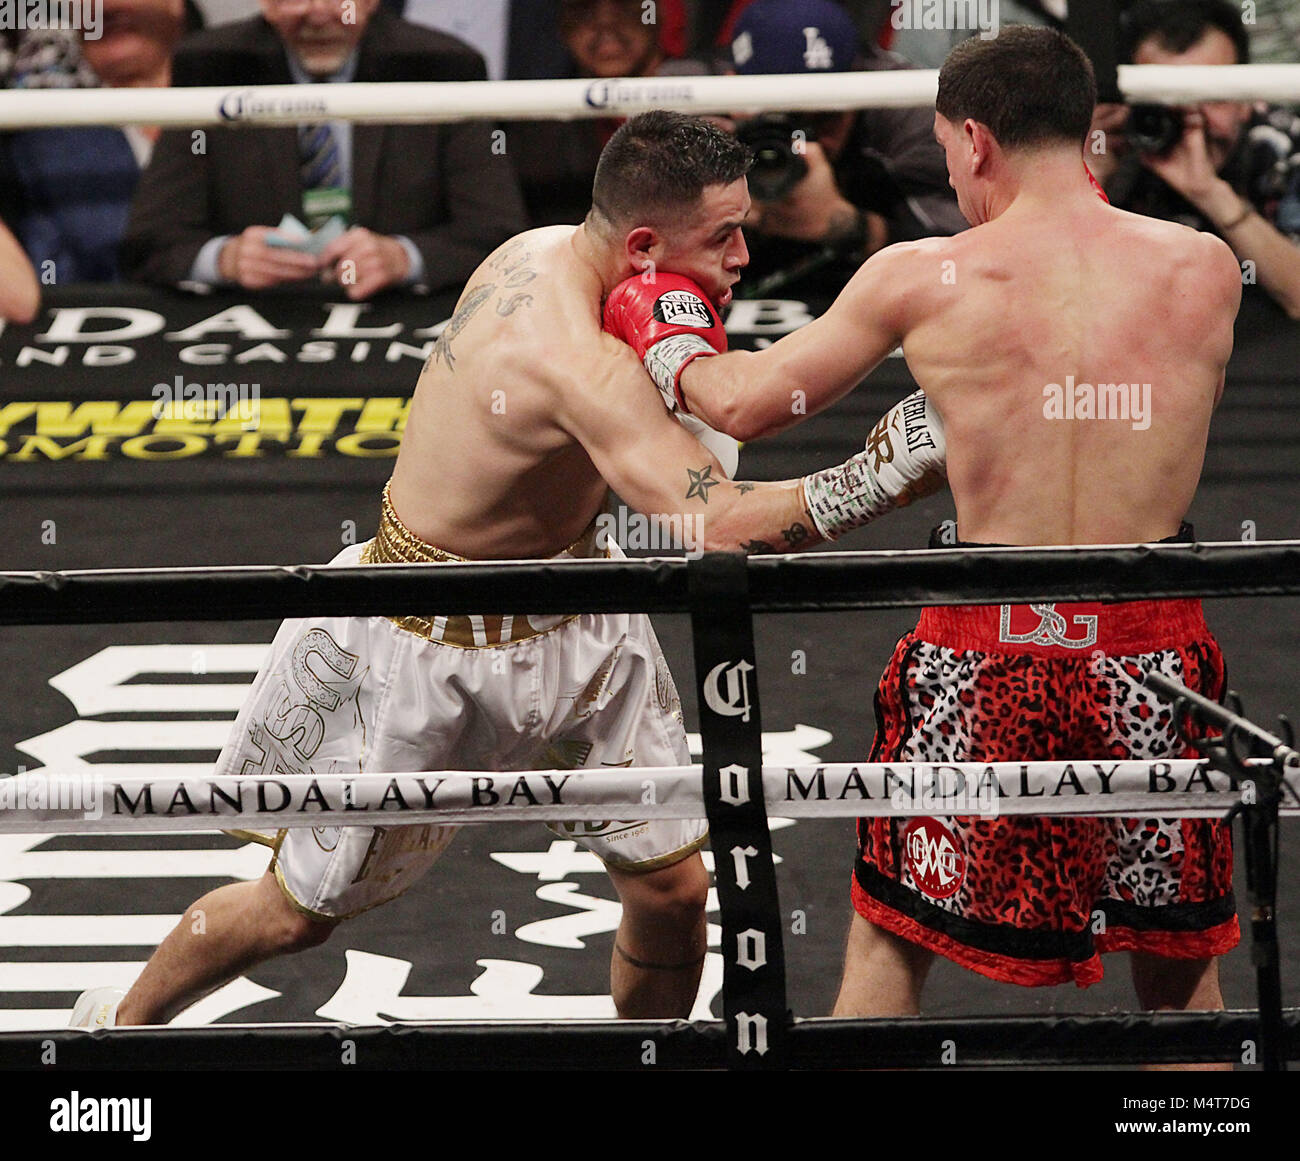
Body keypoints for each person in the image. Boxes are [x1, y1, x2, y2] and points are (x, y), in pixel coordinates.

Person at [73, 111, 945, 1030]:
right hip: (429, 632)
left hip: (573, 603)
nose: (744, 249)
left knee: (675, 892)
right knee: (293, 912)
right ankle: (117, 1026)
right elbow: (720, 523)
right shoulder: (573, 362)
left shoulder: (549, 246)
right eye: (721, 234)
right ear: (645, 244)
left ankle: (647, 1061)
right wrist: (882, 476)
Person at [607, 29, 1241, 1066]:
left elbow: (740, 403)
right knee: (1179, 975)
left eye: (948, 151)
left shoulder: (921, 275)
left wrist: (660, 309)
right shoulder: (1205, 268)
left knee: (892, 940)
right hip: (1154, 664)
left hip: (988, 653)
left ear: (975, 139)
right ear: (1086, 132)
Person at [119, 0, 526, 299]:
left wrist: (405, 258)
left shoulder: (440, 64)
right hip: (256, 333)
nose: (316, 12)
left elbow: (501, 237)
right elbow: (148, 243)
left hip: (404, 328)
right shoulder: (211, 63)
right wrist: (225, 259)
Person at [723, 0, 965, 297]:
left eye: (825, 119)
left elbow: (973, 255)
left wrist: (849, 226)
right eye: (786, 120)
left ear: (858, 76)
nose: (803, 141)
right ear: (731, 89)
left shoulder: (904, 105)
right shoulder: (699, 109)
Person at [1092, 0, 1300, 318]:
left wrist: (1211, 193)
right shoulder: (1115, 145)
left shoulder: (1280, 146)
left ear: (1248, 100)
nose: (1193, 122)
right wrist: (1087, 178)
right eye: (1165, 101)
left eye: (1212, 98)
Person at [2, 0, 194, 283]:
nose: (106, 8)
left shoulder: (251, 113)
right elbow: (54, 287)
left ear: (177, 5)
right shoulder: (41, 152)